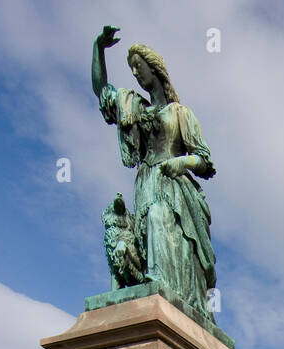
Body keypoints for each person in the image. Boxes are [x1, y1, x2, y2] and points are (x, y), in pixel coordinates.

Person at [91, 25, 217, 319]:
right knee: (150, 230)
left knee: (164, 226)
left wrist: (180, 163)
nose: (135, 73)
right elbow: (102, 91)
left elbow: (205, 161)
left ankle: (171, 297)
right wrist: (98, 48)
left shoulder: (181, 114)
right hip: (147, 182)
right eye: (132, 69)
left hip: (176, 188)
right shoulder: (134, 106)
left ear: (155, 68)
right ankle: (154, 291)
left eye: (139, 66)